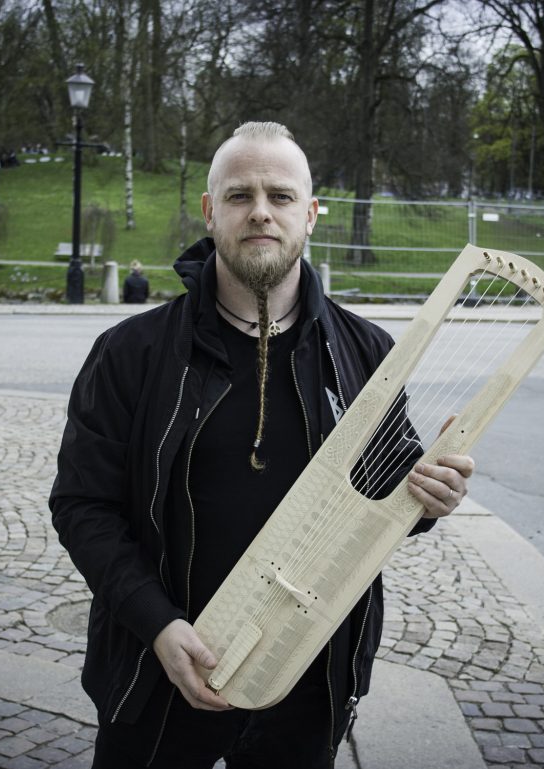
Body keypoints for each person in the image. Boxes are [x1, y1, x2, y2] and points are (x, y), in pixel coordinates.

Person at [49, 121, 474, 768]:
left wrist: (429, 497)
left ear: (310, 212)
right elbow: (83, 505)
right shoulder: (130, 354)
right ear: (209, 209)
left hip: (306, 687)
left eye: (279, 196)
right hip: (158, 674)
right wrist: (156, 623)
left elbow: (389, 505)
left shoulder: (366, 355)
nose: (260, 212)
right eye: (240, 194)